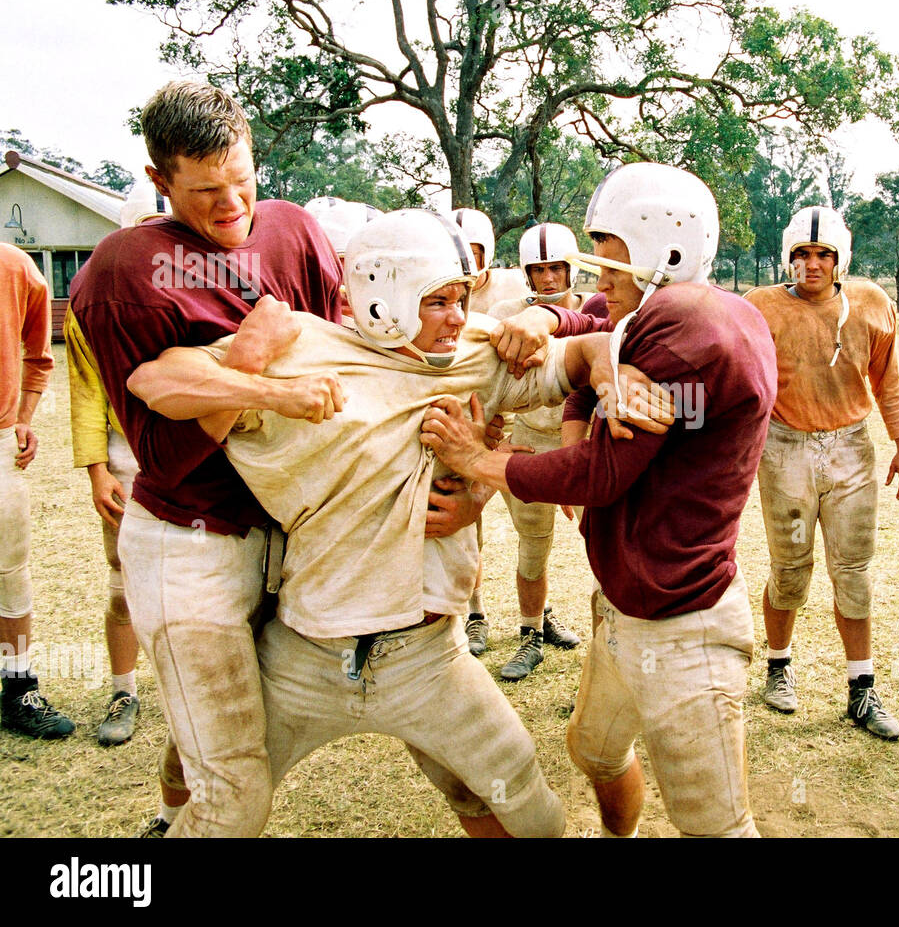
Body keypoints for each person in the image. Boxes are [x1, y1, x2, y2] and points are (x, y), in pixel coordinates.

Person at [128, 209, 670, 836]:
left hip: (426, 656)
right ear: (382, 297)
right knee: (227, 807)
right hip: (308, 652)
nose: (459, 317)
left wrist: (606, 366)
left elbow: (579, 354)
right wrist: (262, 384)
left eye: (461, 297)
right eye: (437, 300)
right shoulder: (303, 349)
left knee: (532, 810)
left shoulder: (472, 352)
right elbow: (154, 379)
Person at [422, 162, 778, 837]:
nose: (596, 275)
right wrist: (549, 332)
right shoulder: (670, 305)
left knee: (717, 827)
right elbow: (590, 324)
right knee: (593, 748)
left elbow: (602, 476)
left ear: (660, 246)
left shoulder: (688, 328)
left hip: (682, 624)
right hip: (629, 606)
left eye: (608, 254)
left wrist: (477, 460)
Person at [69, 80, 346, 836]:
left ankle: (164, 821)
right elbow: (163, 456)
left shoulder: (294, 229)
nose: (232, 207)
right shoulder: (126, 269)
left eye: (242, 182)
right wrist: (250, 363)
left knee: (203, 733)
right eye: (204, 191)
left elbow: (347, 359)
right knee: (234, 785)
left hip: (282, 535)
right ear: (158, 181)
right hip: (191, 539)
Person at [744, 206, 899, 739]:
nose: (812, 264)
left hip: (850, 449)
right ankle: (778, 665)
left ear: (840, 259)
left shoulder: (870, 302)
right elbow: (740, 379)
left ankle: (861, 689)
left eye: (822, 255)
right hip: (784, 447)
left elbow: (886, 377)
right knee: (790, 570)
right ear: (787, 257)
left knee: (854, 572)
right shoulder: (761, 306)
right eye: (802, 254)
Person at [63, 183, 171, 746]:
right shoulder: (90, 302)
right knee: (123, 582)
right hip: (126, 451)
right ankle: (124, 689)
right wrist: (97, 468)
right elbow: (84, 388)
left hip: (194, 450)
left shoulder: (203, 290)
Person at [483, 221, 606, 681]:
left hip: (584, 440)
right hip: (532, 438)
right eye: (539, 270)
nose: (549, 279)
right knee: (532, 547)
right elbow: (494, 384)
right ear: (526, 274)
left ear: (571, 269)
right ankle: (531, 633)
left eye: (556, 268)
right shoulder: (508, 312)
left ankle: (607, 651)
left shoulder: (595, 311)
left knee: (603, 546)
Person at [0, 243, 74, 740]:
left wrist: (23, 419)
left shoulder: (14, 266)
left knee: (9, 570)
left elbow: (38, 353)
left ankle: (19, 686)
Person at [450, 206, 528, 654]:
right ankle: (475, 612)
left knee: (529, 521)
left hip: (511, 411)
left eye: (473, 252)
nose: (462, 261)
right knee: (467, 519)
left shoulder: (513, 287)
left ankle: (539, 614)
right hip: (462, 417)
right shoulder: (430, 285)